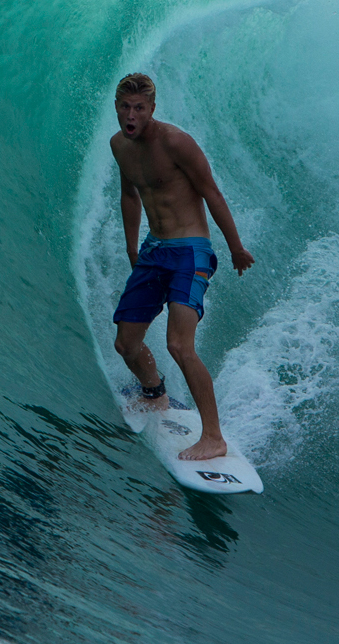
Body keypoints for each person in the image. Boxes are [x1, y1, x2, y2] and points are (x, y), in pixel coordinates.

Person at [108, 72, 256, 461]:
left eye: (139, 108)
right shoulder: (119, 146)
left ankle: (213, 437)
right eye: (125, 106)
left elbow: (211, 193)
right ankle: (155, 394)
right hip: (154, 250)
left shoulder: (176, 143)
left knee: (178, 344)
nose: (131, 115)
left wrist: (235, 247)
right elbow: (129, 195)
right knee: (126, 343)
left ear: (152, 109)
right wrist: (131, 246)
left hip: (190, 251)